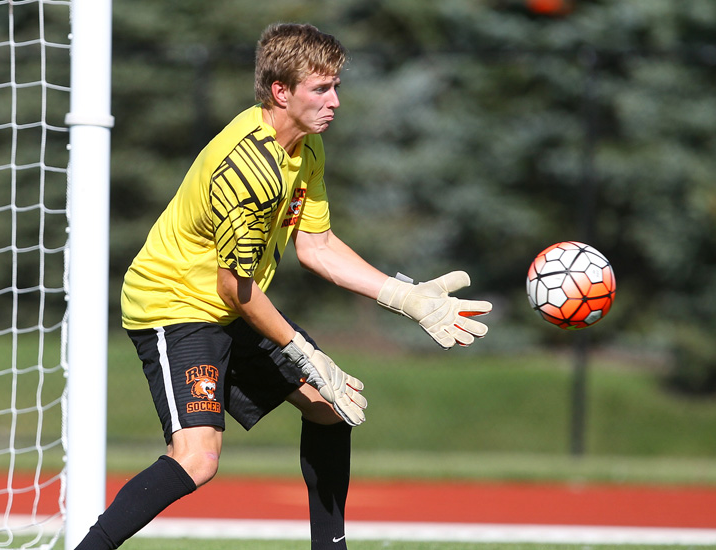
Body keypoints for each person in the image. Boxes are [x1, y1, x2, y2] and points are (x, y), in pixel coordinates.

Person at [76, 22, 492, 550]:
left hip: (228, 305)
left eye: (336, 86)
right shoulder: (248, 169)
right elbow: (235, 286)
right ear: (281, 92)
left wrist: (404, 297)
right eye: (321, 89)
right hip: (174, 306)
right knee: (197, 459)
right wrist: (301, 349)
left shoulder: (307, 149)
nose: (335, 100)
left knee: (330, 405)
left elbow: (315, 246)